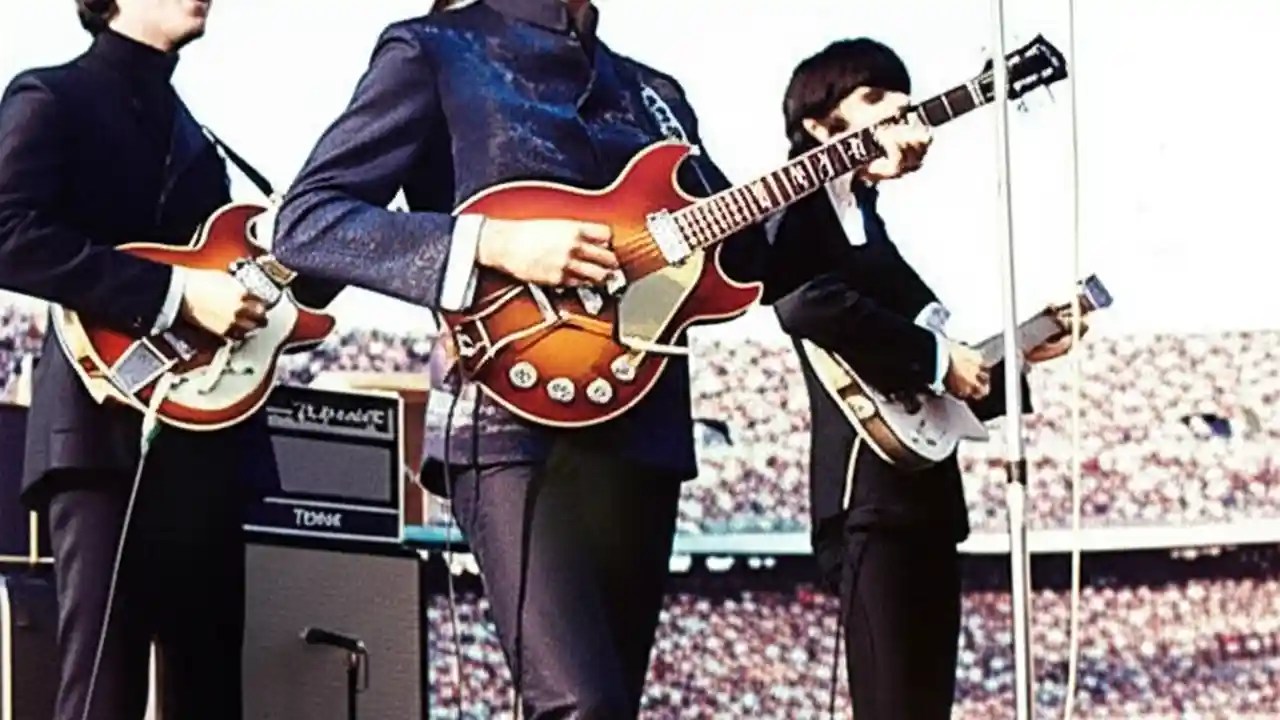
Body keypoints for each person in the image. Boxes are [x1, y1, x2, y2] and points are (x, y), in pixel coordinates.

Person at [270, 0, 785, 716]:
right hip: (507, 417)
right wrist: (489, 244)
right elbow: (309, 222)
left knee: (607, 706)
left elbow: (748, 254)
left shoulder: (656, 94)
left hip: (644, 426)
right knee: (581, 703)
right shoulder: (436, 49)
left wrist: (849, 171)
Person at [0, 2, 334, 718]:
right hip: (97, 433)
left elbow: (229, 272)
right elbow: (6, 232)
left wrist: (340, 240)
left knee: (211, 696)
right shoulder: (49, 95)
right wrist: (175, 293)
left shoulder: (196, 135)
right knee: (102, 694)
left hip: (205, 435)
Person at [764, 38, 1088, 719]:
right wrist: (940, 358)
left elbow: (934, 370)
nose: (902, 107)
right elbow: (805, 302)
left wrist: (1022, 354)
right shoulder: (803, 212)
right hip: (868, 497)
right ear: (820, 126)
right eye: (874, 97)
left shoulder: (868, 226)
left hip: (925, 496)